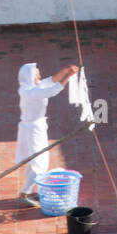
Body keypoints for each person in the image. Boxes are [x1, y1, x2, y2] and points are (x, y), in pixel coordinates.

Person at [16, 61, 78, 205]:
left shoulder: (30, 87)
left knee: (33, 162)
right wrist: (68, 76)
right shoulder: (32, 92)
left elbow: (51, 81)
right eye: (37, 74)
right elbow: (54, 89)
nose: (40, 75)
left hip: (33, 128)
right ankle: (25, 193)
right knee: (40, 163)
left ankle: (29, 190)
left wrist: (65, 70)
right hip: (33, 130)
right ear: (31, 76)